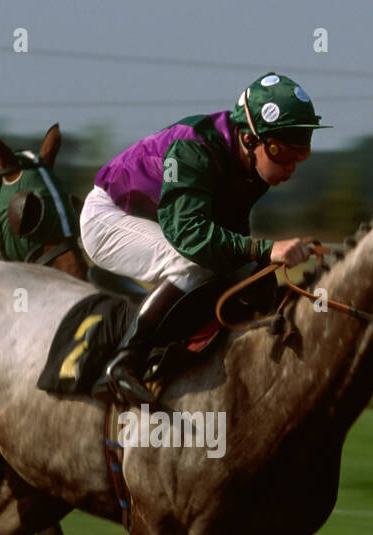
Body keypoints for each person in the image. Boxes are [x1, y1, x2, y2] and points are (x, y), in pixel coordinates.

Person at [80, 72, 329, 405]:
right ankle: (124, 363)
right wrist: (266, 249)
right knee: (189, 264)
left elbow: (232, 238)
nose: (290, 167)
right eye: (280, 151)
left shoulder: (251, 167)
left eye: (301, 154)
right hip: (109, 218)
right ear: (250, 138)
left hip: (160, 222)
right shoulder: (193, 148)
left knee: (248, 279)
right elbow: (190, 235)